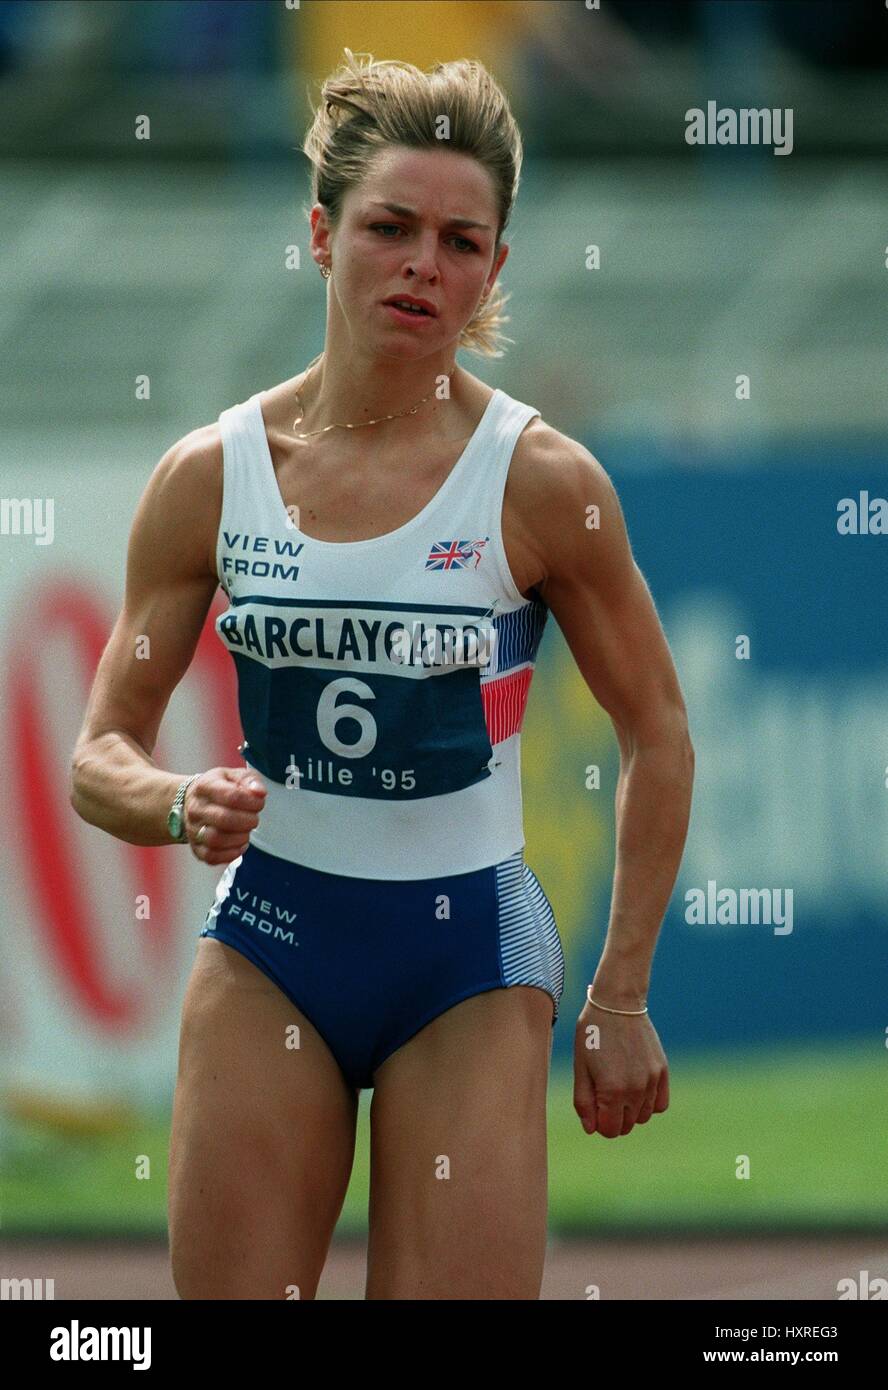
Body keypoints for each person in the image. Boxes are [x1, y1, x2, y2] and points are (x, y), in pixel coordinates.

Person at [70, 49, 693, 1300]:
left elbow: (659, 733)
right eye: (391, 227)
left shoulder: (543, 483)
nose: (425, 264)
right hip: (272, 943)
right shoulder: (213, 475)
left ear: (496, 270)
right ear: (321, 235)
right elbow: (100, 753)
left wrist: (620, 995)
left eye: (464, 242)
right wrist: (181, 804)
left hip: (465, 956)